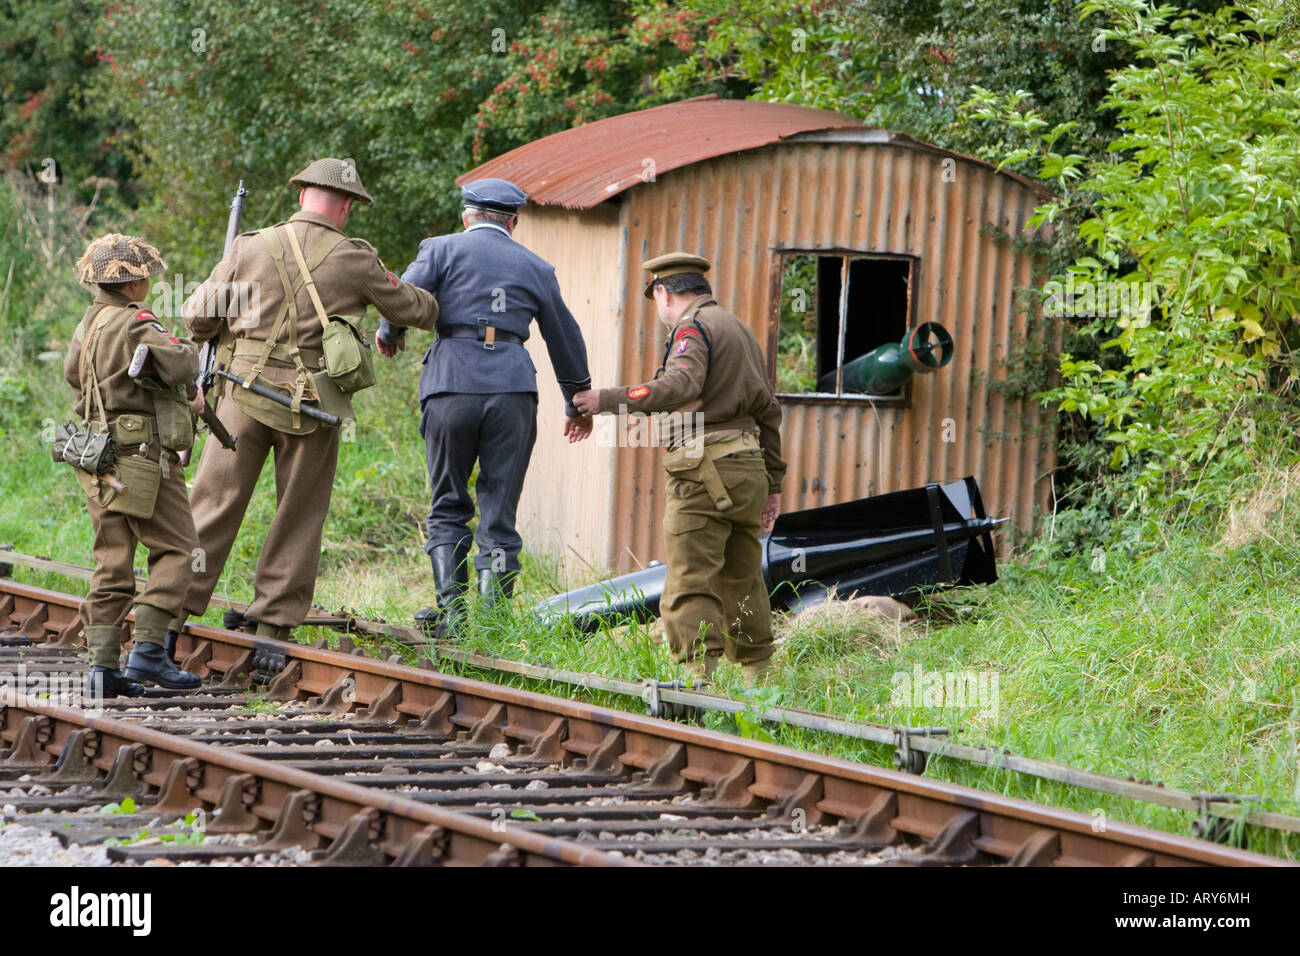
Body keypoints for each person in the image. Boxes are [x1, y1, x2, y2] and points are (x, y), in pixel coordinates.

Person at [170, 158, 439, 643]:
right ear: (347, 206)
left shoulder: (248, 246)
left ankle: (170, 614)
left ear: (301, 196)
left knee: (211, 503)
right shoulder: (356, 258)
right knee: (299, 512)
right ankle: (273, 623)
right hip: (312, 406)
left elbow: (196, 317)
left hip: (239, 397)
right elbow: (414, 309)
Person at [375, 177, 593, 635]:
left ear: (466, 217)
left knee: (449, 501)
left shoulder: (439, 249)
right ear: (513, 222)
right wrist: (577, 401)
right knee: (499, 507)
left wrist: (389, 334)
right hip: (512, 391)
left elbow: (400, 299)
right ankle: (494, 623)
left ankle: (452, 615)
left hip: (450, 383)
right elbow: (564, 337)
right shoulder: (536, 267)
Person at [572, 253, 785, 684]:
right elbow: (770, 410)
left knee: (690, 576)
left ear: (664, 293)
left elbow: (679, 385)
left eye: (656, 299)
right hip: (748, 469)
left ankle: (693, 682)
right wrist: (773, 483)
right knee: (743, 575)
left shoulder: (692, 328)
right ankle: (761, 679)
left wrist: (606, 400)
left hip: (705, 471)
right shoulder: (738, 328)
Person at [63, 234, 205, 697]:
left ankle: (103, 668)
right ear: (132, 283)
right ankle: (148, 653)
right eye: (144, 275)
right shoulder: (137, 322)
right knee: (177, 548)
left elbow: (71, 374)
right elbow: (182, 364)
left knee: (112, 559)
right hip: (142, 454)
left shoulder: (88, 323)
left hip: (96, 454)